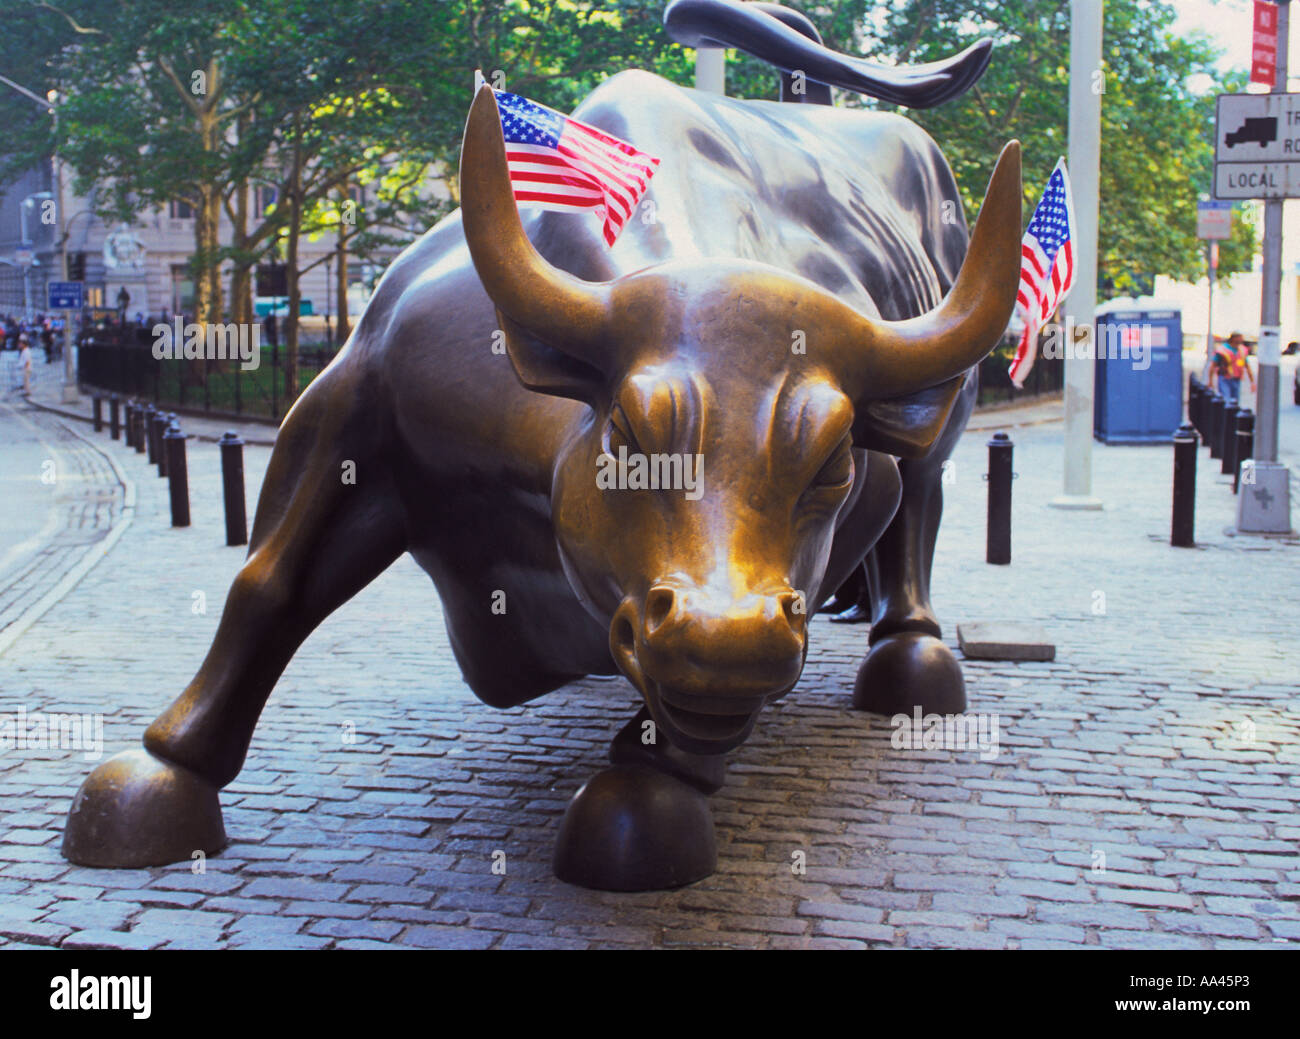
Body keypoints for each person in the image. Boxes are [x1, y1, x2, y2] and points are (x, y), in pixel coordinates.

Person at [1211, 331, 1255, 407]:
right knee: (1226, 401)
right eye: (1240, 337)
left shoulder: (1242, 350)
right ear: (1234, 338)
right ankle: (1225, 417)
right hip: (1224, 378)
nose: (1242, 339)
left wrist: (1252, 382)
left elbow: (1247, 367)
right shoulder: (1222, 350)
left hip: (1236, 380)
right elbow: (1213, 365)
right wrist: (1210, 381)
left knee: (1235, 402)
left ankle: (1232, 418)